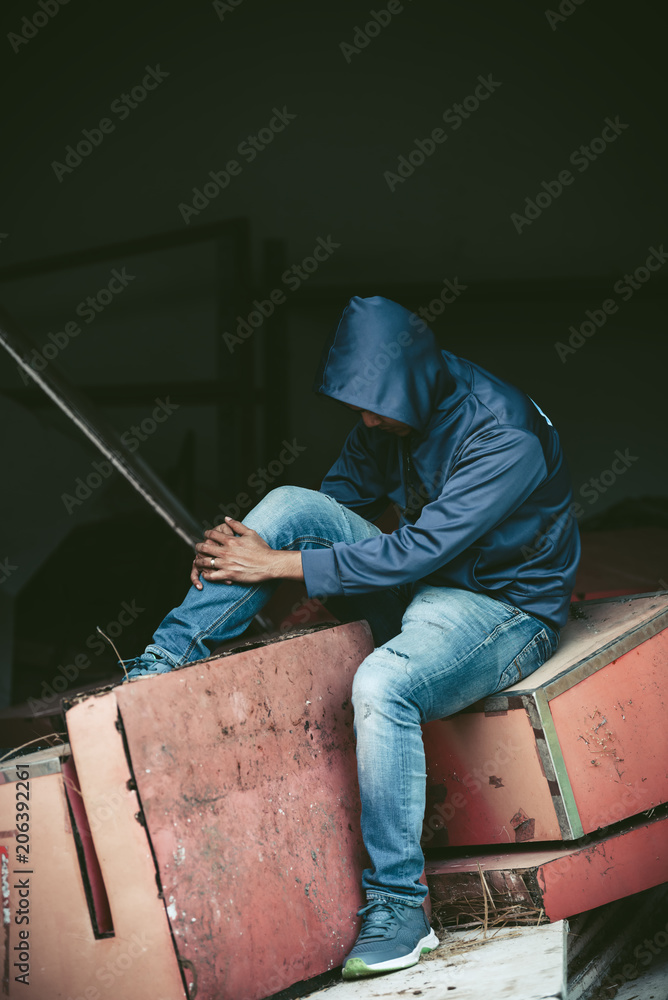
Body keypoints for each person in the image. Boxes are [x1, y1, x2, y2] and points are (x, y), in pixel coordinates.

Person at [121, 295, 580, 980]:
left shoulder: (502, 433)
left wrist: (277, 565)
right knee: (285, 506)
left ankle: (400, 907)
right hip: (419, 586)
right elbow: (334, 507)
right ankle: (157, 671)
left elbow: (420, 550)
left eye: (375, 406)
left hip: (502, 610)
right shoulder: (392, 413)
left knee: (382, 684)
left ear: (417, 383)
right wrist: (237, 553)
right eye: (357, 405)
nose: (364, 420)